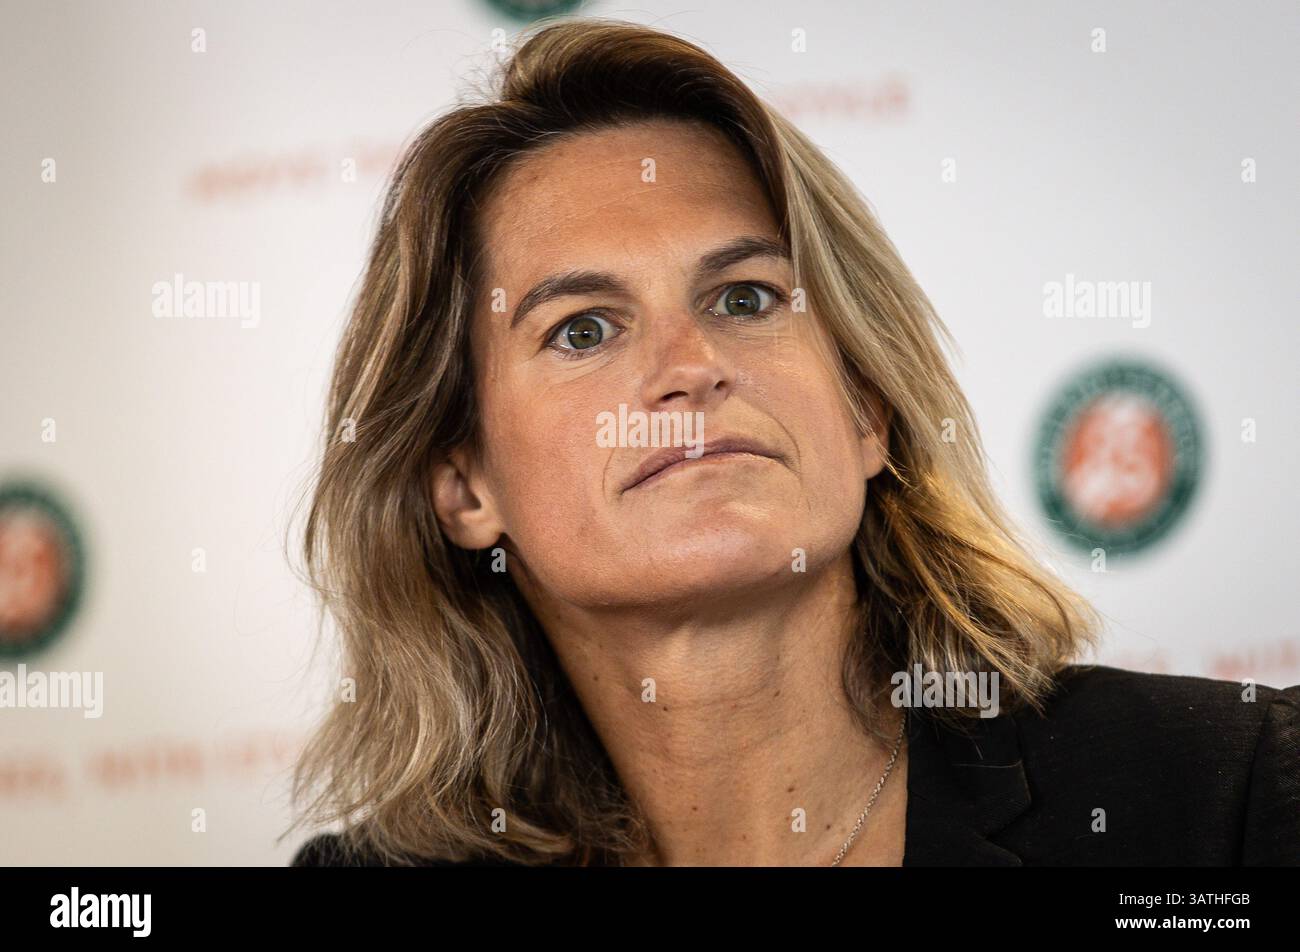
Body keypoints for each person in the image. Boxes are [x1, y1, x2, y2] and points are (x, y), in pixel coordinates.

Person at [284, 17, 1298, 867]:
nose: (689, 365)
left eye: (744, 297)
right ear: (463, 486)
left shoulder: (1223, 794)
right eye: (582, 328)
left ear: (864, 409)